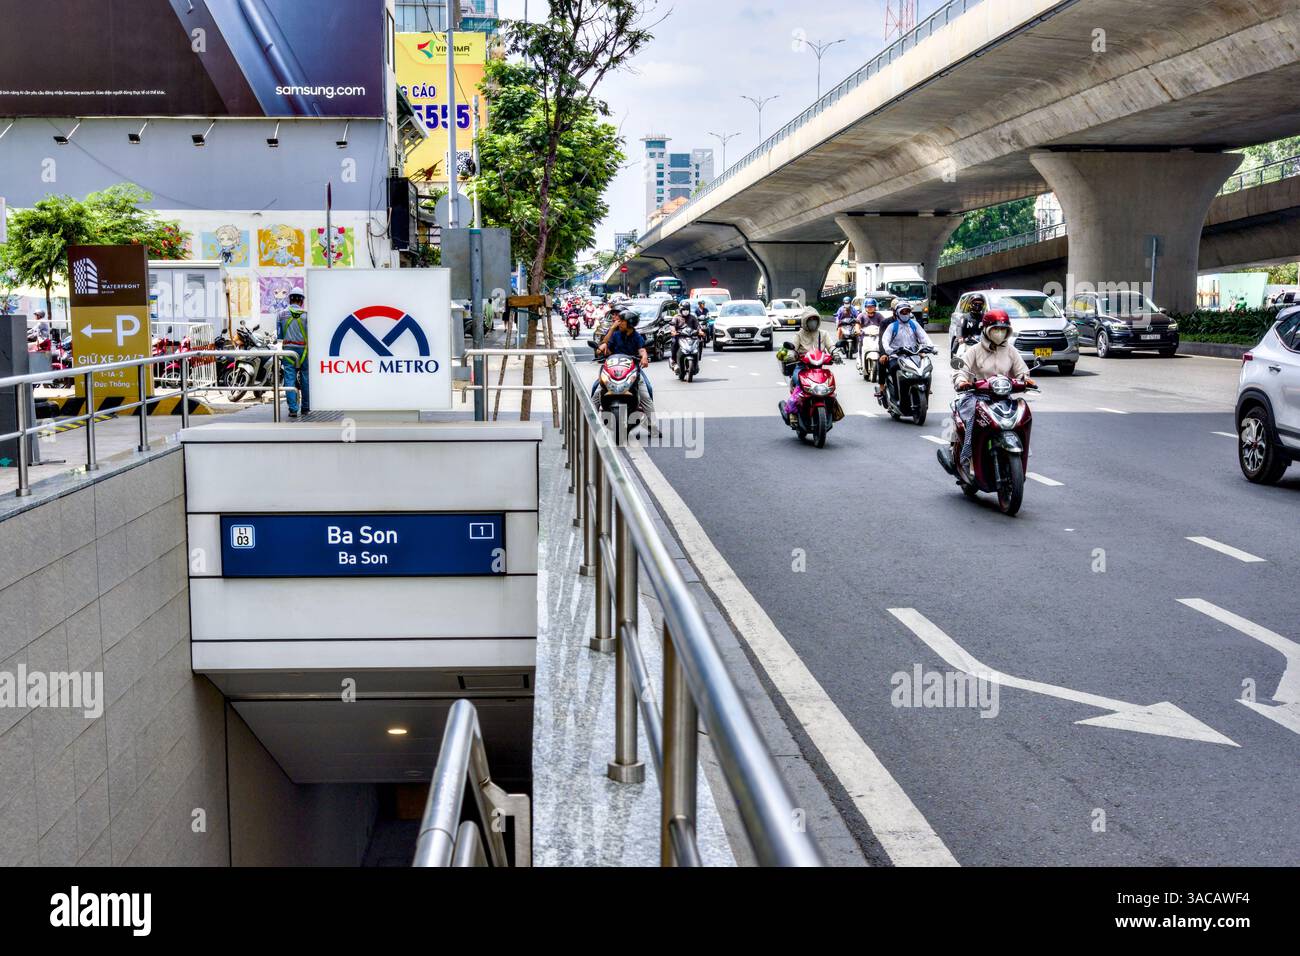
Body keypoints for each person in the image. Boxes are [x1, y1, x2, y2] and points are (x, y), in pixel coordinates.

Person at [943, 309, 1032, 477]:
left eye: (1003, 329)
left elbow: (1021, 371)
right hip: (977, 396)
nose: (999, 333)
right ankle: (968, 458)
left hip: (1003, 397)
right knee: (972, 418)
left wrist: (1025, 379)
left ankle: (1020, 450)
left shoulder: (1010, 351)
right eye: (995, 329)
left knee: (1021, 415)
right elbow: (961, 370)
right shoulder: (974, 350)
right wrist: (962, 381)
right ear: (986, 329)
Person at [594, 308, 656, 427]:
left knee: (647, 393)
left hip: (632, 371)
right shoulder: (615, 334)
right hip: (612, 370)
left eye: (621, 321)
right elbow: (605, 344)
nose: (618, 322)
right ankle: (588, 422)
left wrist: (644, 357)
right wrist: (606, 341)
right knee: (595, 391)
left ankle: (652, 425)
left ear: (629, 323)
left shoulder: (637, 337)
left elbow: (642, 349)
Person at [779, 312, 837, 424]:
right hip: (802, 367)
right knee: (798, 382)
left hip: (819, 367)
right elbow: (792, 348)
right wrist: (791, 356)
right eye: (810, 320)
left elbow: (831, 346)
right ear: (805, 321)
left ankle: (833, 411)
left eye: (815, 319)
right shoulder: (799, 335)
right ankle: (792, 414)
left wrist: (836, 353)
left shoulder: (823, 334)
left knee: (831, 387)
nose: (813, 322)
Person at [878, 301, 934, 399]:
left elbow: (924, 337)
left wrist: (930, 347)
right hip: (897, 356)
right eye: (902, 312)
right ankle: (896, 394)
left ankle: (926, 387)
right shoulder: (891, 326)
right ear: (896, 312)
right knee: (894, 368)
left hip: (913, 355)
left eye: (907, 311)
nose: (905, 314)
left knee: (927, 366)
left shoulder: (914, 324)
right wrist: (888, 351)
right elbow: (884, 340)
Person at [276, 289, 310, 418]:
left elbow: (279, 335)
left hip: (288, 350)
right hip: (304, 350)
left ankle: (293, 409)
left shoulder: (281, 314)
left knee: (289, 378)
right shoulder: (307, 315)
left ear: (290, 299)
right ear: (301, 300)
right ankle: (306, 407)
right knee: (305, 378)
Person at [953, 293, 987, 362]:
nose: (978, 305)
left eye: (980, 304)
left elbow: (989, 328)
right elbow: (960, 327)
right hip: (967, 343)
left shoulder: (985, 318)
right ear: (971, 304)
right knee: (960, 359)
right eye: (975, 303)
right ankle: (957, 371)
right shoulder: (965, 317)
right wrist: (960, 337)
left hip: (981, 344)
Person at [670, 303, 704, 369]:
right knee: (674, 342)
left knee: (700, 341)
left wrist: (700, 331)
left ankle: (698, 358)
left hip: (691, 336)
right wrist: (673, 331)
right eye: (684, 309)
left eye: (687, 309)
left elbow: (697, 326)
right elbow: (672, 325)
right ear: (680, 310)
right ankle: (673, 360)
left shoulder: (692, 317)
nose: (686, 311)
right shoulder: (676, 317)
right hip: (680, 336)